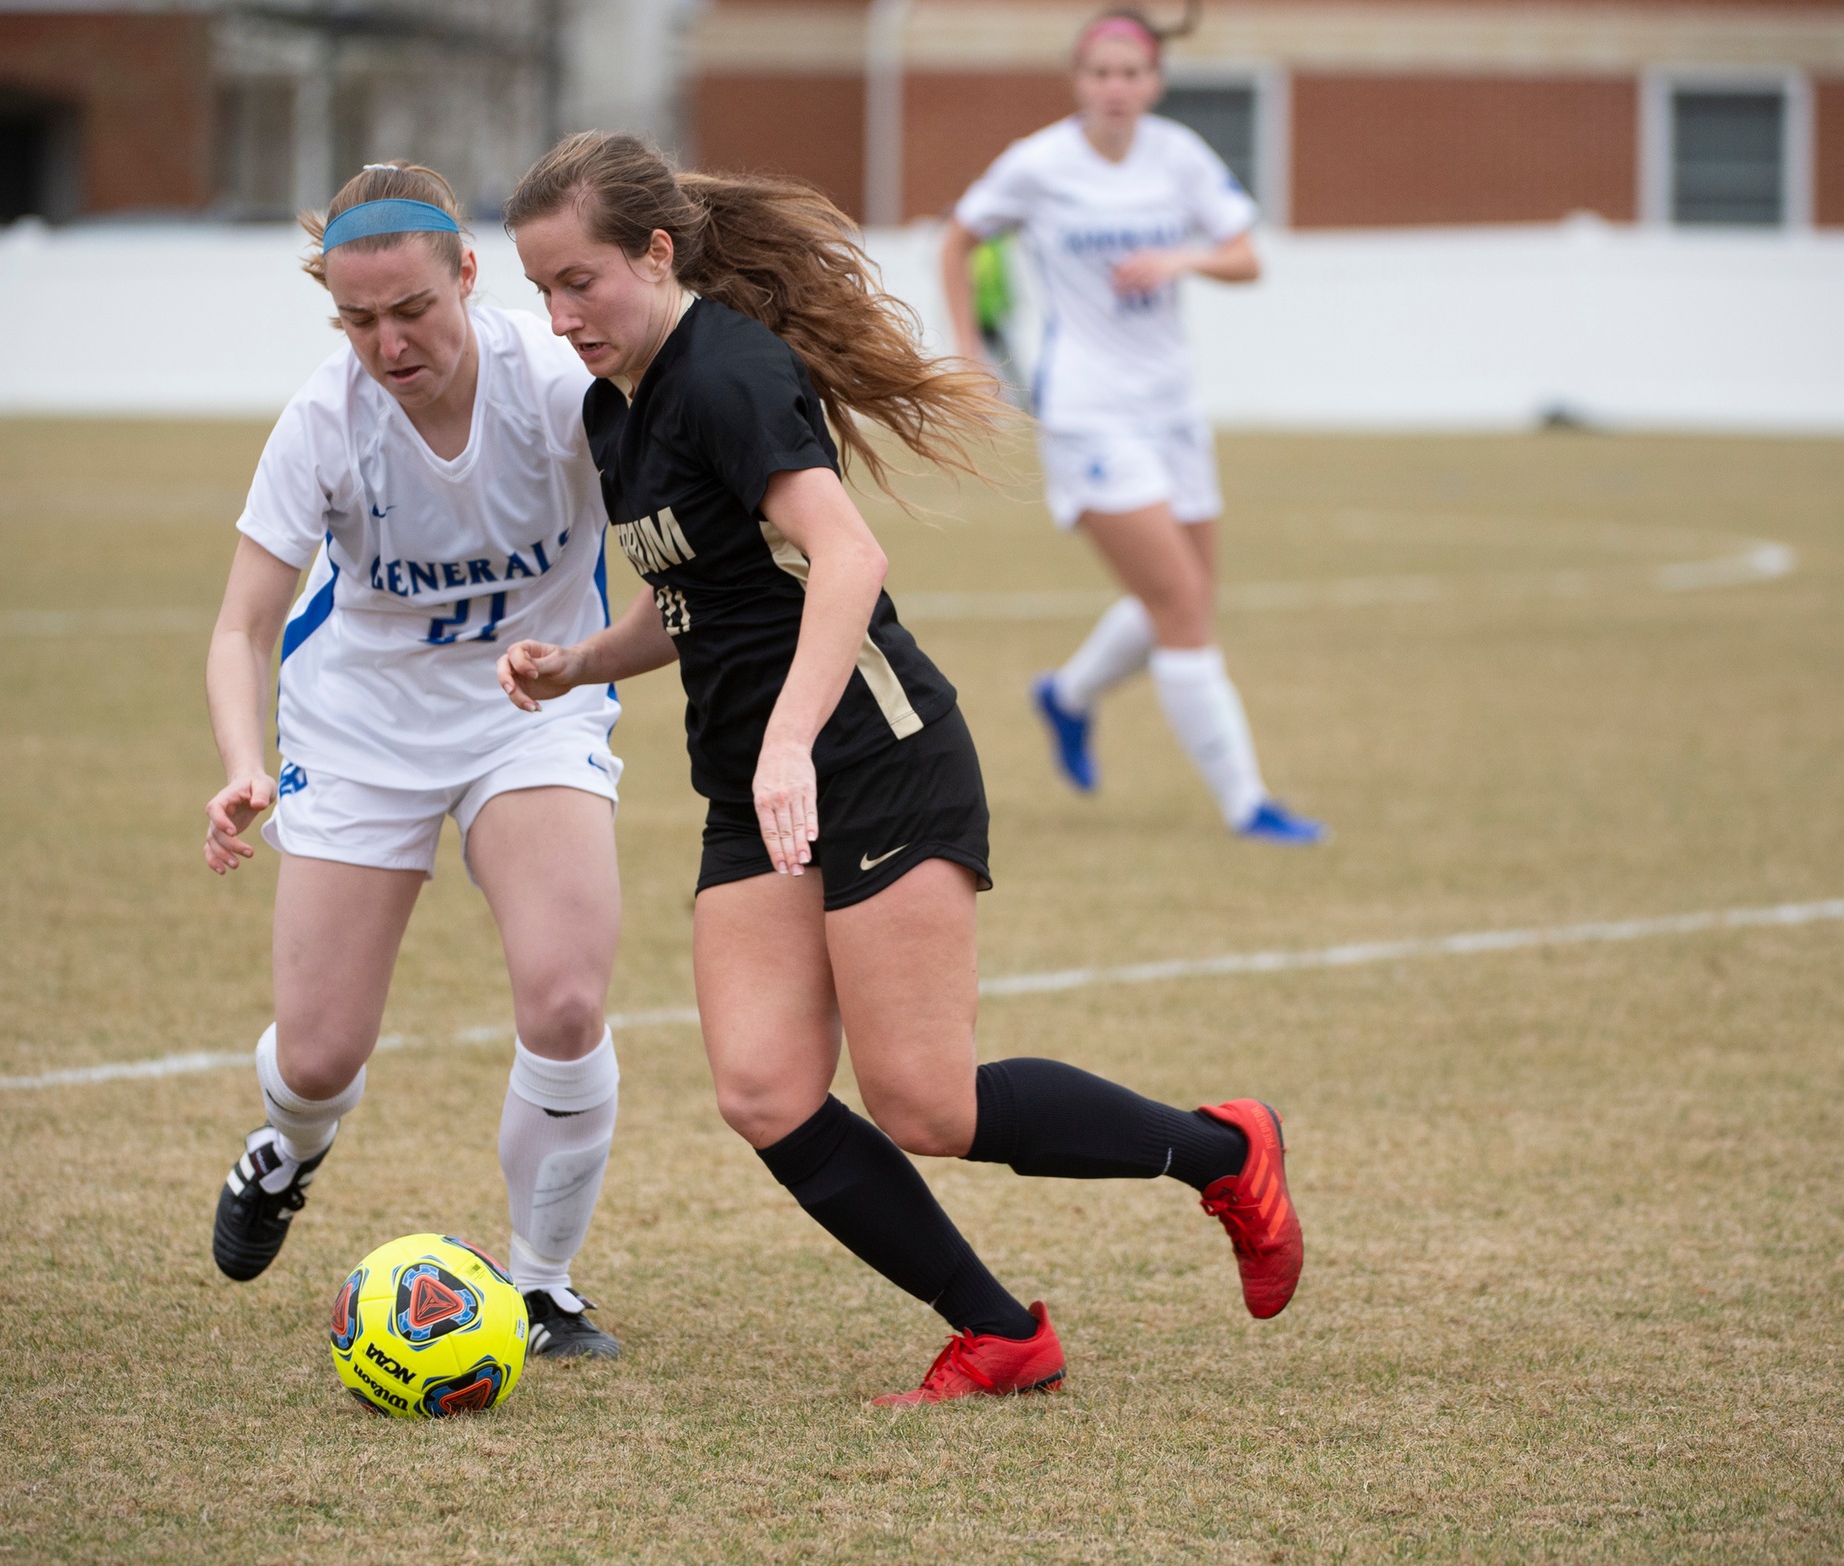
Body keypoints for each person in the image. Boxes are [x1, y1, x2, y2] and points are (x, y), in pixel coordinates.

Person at [494, 131, 1304, 1406]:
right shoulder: (617, 409)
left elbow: (846, 560)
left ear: (655, 254)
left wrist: (785, 744)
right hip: (762, 785)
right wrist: (582, 660)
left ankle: (1220, 1150)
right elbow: (698, 592)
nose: (560, 317)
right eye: (541, 290)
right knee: (763, 1089)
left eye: (580, 282)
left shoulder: (731, 371)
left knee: (925, 1102)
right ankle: (998, 1330)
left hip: (875, 757)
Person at [202, 162, 626, 1360]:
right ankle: (290, 1144)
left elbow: (674, 535)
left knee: (565, 995)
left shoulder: (558, 386)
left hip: (530, 708)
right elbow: (240, 624)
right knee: (322, 1053)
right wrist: (244, 762)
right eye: (358, 320)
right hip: (359, 727)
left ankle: (542, 1286)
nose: (388, 344)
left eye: (411, 312)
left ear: (469, 279)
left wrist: (588, 660)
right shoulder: (324, 422)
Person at [939, 8, 1327, 844]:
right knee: (1181, 602)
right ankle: (1247, 805)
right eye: (1100, 73)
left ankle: (1067, 696)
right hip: (1087, 411)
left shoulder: (1177, 155)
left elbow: (1246, 255)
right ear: (1077, 81)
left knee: (1186, 600)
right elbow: (959, 239)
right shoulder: (1038, 164)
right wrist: (969, 350)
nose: (1115, 88)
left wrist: (1181, 257)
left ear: (1154, 82)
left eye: (1130, 74)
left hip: (1173, 407)